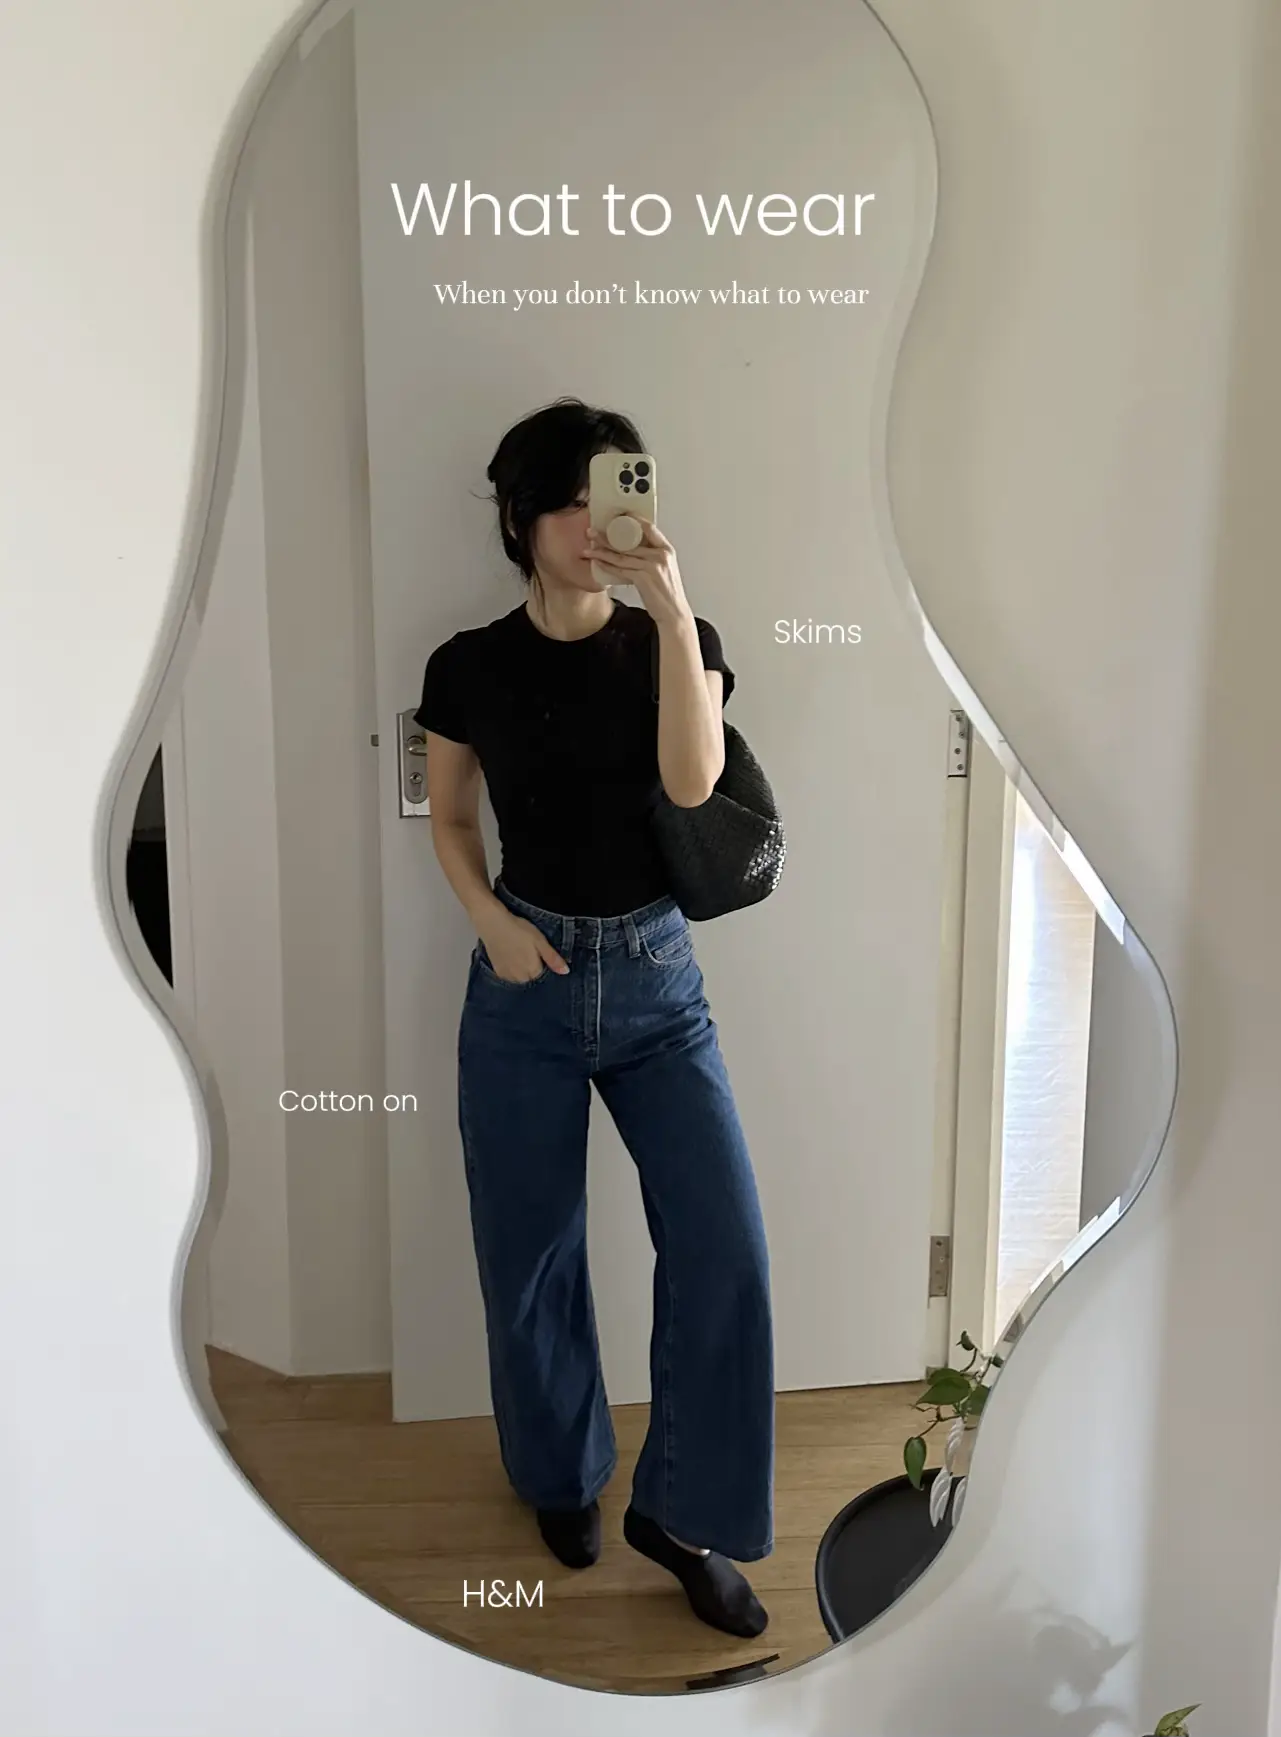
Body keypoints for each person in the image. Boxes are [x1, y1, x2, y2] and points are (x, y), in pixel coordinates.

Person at [415, 397, 774, 1640]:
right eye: (565, 502)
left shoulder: (683, 637)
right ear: (519, 517)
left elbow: (692, 781)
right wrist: (489, 922)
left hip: (659, 983)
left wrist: (671, 615)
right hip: (524, 979)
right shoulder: (466, 666)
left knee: (724, 1248)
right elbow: (447, 817)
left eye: (608, 494)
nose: (590, 524)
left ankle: (684, 1514)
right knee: (529, 1254)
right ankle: (561, 1473)